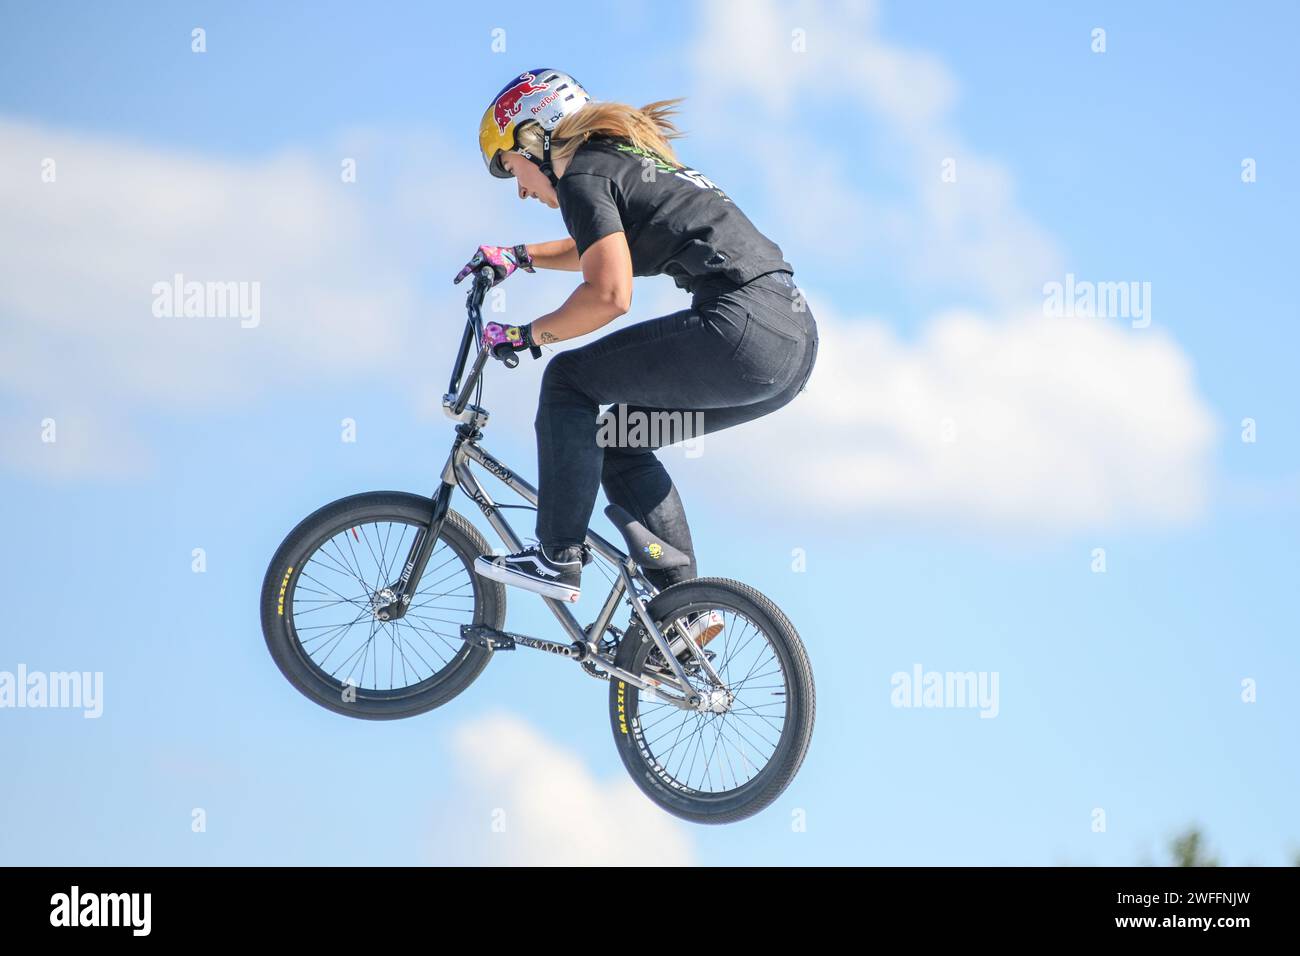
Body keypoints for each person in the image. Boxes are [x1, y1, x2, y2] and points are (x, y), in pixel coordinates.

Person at [455, 68, 818, 650]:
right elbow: (595, 252)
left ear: (533, 138)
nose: (520, 188)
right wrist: (518, 257)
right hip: (784, 352)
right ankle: (683, 605)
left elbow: (610, 294)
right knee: (619, 439)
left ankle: (556, 556)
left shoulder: (585, 174)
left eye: (511, 168)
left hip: (740, 330)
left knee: (569, 380)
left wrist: (526, 336)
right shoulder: (617, 164)